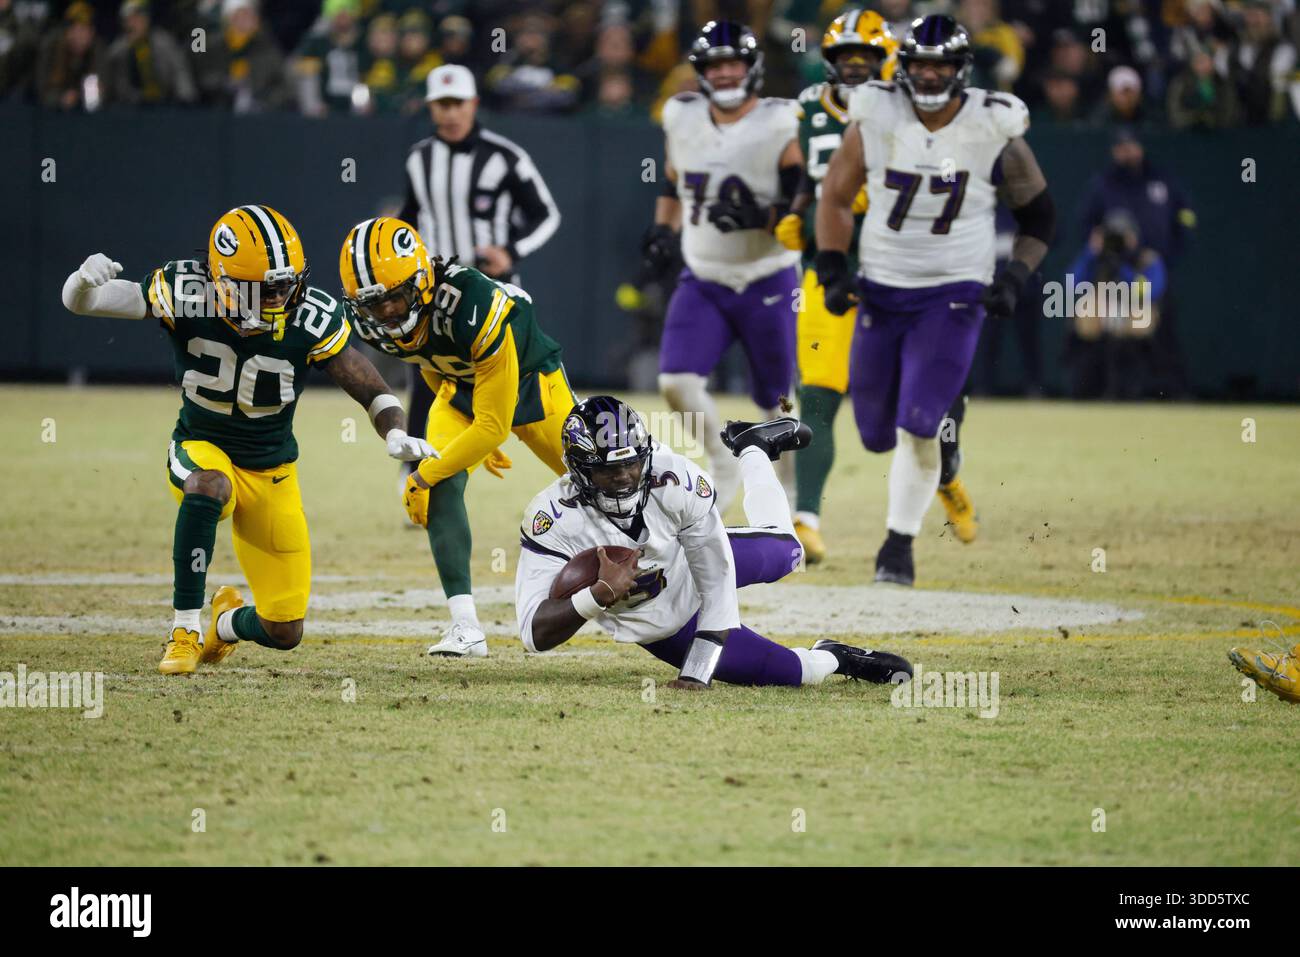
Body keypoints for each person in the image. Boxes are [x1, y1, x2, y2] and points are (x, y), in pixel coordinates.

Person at [60, 206, 428, 675]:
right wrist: (81, 282)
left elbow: (371, 388)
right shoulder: (187, 292)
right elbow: (85, 302)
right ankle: (184, 631)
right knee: (210, 485)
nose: (280, 298)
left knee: (285, 629)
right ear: (224, 284)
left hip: (272, 470)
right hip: (202, 445)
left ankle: (224, 625)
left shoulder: (309, 316)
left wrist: (395, 431)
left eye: (286, 285)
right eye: (266, 289)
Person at [815, 14, 1055, 586]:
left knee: (918, 423)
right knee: (875, 434)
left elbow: (1040, 217)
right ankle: (946, 447)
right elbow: (835, 198)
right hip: (882, 289)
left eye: (939, 64)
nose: (927, 75)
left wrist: (1016, 276)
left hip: (954, 291)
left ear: (960, 70)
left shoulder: (992, 125)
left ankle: (897, 546)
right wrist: (831, 266)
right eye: (919, 63)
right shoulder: (874, 114)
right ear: (903, 68)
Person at [515, 397, 913, 689]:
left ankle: (753, 448)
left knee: (789, 552)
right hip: (663, 625)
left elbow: (716, 577)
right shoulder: (552, 517)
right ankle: (836, 655)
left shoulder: (674, 481)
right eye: (608, 470)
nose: (623, 478)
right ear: (579, 470)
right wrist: (598, 595)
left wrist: (697, 672)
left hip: (688, 562)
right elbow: (534, 634)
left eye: (631, 464)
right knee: (797, 675)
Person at [775, 9, 977, 563]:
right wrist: (794, 212)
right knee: (818, 392)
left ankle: (947, 471)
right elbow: (804, 181)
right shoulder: (807, 108)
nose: (856, 67)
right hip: (830, 270)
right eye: (846, 58)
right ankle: (806, 519)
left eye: (866, 57)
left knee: (933, 402)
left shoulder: (913, 109)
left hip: (908, 271)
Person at [339, 217, 575, 659]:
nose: (388, 311)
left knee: (599, 482)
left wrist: (424, 473)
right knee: (443, 486)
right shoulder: (372, 322)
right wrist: (457, 452)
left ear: (422, 280)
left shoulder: (472, 303)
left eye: (395, 296)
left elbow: (493, 424)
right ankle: (466, 629)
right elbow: (427, 359)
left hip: (531, 382)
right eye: (374, 302)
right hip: (457, 388)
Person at [643, 20, 805, 514]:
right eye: (717, 64)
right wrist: (664, 230)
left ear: (753, 68)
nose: (727, 72)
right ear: (701, 72)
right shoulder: (682, 116)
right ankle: (722, 458)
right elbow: (674, 183)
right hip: (705, 274)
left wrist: (761, 216)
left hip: (768, 274)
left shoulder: (781, 121)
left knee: (777, 401)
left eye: (735, 62)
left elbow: (804, 196)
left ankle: (790, 497)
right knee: (675, 381)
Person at [397, 64, 562, 482]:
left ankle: (567, 463)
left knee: (522, 382)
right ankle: (419, 468)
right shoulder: (419, 158)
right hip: (432, 293)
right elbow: (410, 218)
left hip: (493, 291)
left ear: (473, 104)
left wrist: (511, 251)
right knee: (426, 381)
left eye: (456, 104)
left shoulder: (505, 157)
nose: (449, 113)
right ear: (431, 108)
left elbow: (546, 215)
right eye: (441, 105)